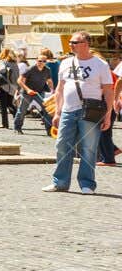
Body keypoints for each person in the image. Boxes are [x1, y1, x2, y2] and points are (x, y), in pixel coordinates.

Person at [45, 32, 115, 195]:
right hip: (68, 110)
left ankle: (87, 184)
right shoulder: (66, 63)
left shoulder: (100, 65)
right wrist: (57, 112)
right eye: (70, 42)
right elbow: (60, 89)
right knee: (62, 145)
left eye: (75, 42)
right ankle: (60, 182)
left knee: (89, 148)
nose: (71, 44)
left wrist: (108, 114)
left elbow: (108, 91)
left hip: (91, 111)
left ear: (86, 44)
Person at [14, 49, 54, 135]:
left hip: (40, 92)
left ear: (46, 62)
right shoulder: (30, 69)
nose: (42, 62)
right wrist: (28, 90)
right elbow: (19, 80)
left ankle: (49, 130)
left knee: (47, 110)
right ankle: (17, 127)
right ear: (36, 61)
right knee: (22, 110)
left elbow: (49, 81)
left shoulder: (47, 70)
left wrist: (53, 90)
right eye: (40, 61)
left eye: (44, 61)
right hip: (27, 93)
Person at [0, 48, 20, 130]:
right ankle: (17, 119)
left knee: (3, 106)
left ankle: (4, 124)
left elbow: (2, 70)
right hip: (12, 86)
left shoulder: (3, 61)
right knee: (10, 104)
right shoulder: (15, 63)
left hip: (3, 86)